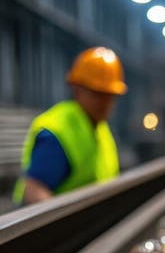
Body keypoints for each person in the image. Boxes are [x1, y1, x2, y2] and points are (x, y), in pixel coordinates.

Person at [13, 46, 127, 205]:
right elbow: (33, 189)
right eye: (97, 94)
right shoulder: (59, 131)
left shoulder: (99, 127)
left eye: (109, 95)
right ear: (77, 90)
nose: (105, 102)